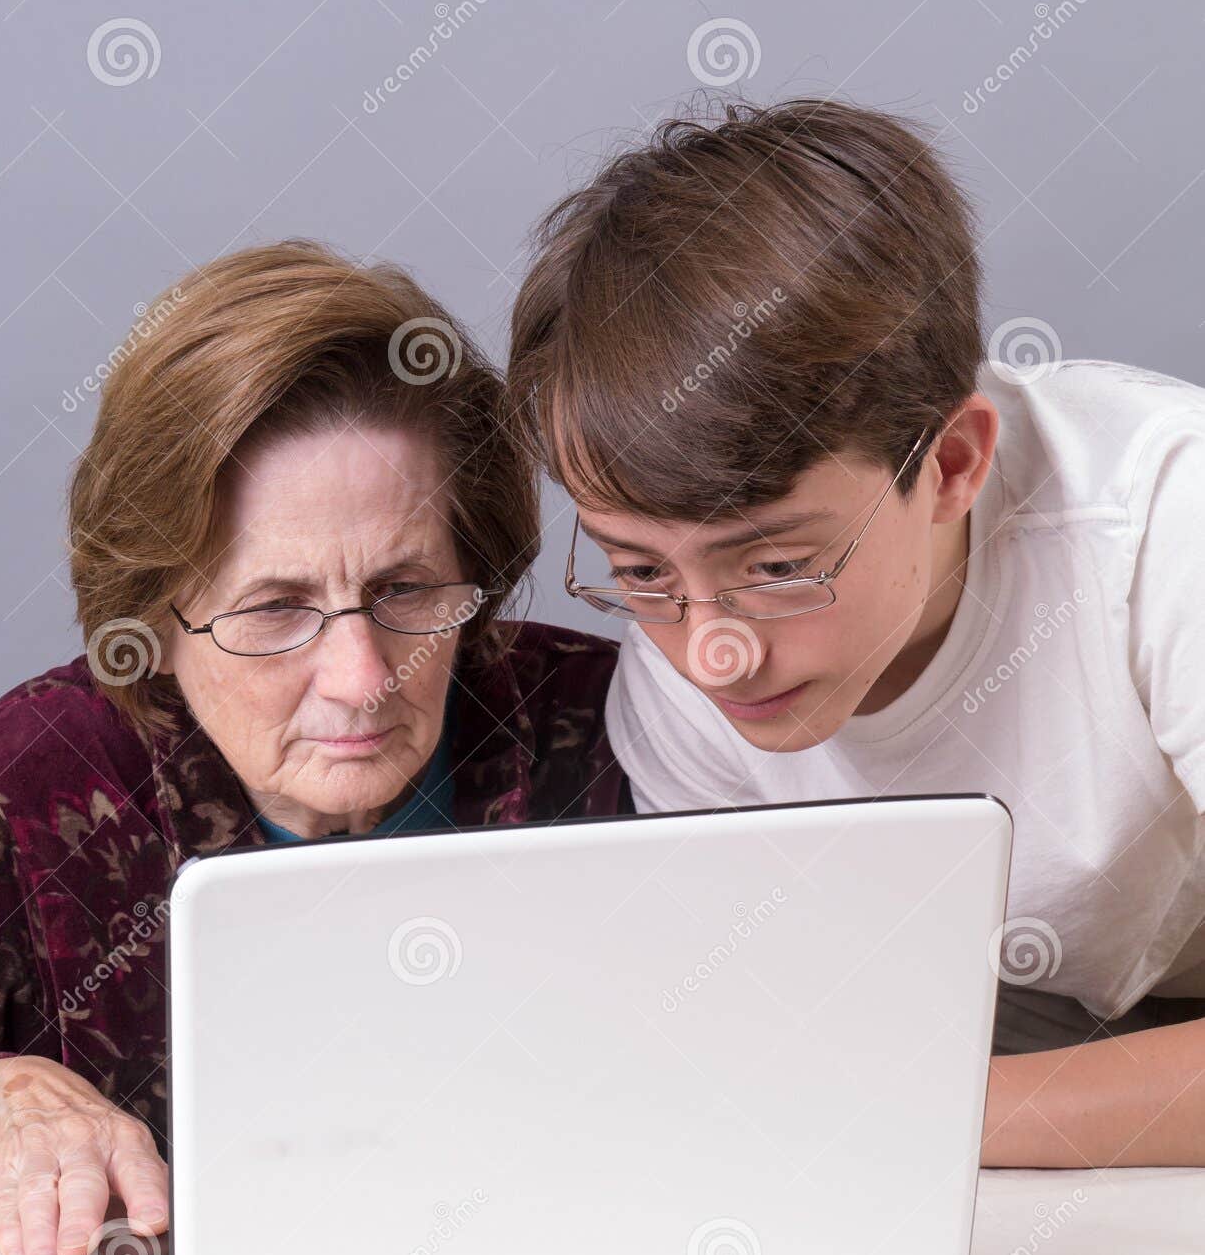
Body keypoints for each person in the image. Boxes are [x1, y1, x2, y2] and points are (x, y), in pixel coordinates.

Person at [507, 97, 1205, 1169]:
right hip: (1006, 1014)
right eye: (639, 570)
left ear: (955, 466)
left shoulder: (1165, 527)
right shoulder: (677, 660)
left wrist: (926, 1116)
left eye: (779, 565)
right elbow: (778, 1034)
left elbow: (860, 1097)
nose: (708, 654)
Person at [0, 239, 627, 1255]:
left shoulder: (608, 727)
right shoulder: (13, 789)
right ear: (151, 619)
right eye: (275, 609)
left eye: (407, 592)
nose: (362, 677)